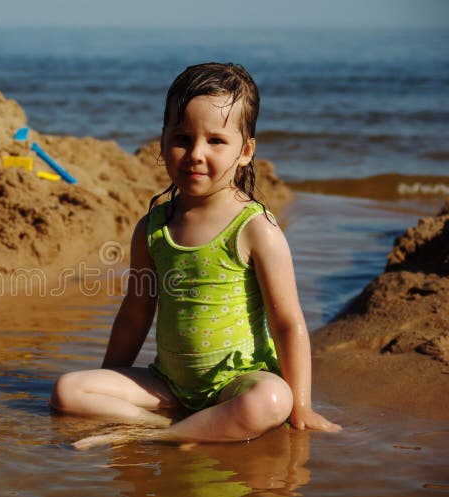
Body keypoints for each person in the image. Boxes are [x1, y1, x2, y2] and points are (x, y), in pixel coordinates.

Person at [51, 62, 341, 449]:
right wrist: (111, 382)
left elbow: (288, 322)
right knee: (68, 390)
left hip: (238, 384)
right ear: (162, 141)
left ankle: (172, 433)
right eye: (182, 138)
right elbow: (135, 314)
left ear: (245, 151)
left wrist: (301, 405)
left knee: (273, 399)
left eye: (216, 141)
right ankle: (161, 427)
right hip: (169, 384)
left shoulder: (255, 228)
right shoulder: (152, 228)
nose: (195, 154)